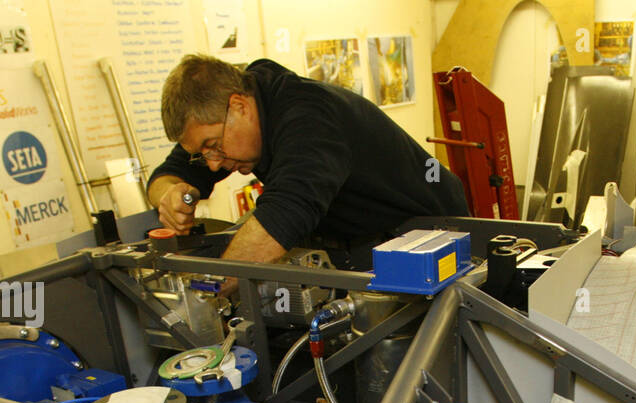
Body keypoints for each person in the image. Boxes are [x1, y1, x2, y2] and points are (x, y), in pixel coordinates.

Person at [146, 54, 468, 272]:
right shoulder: (237, 105)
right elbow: (167, 174)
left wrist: (209, 294)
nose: (212, 165)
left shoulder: (309, 118)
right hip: (360, 237)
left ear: (240, 107)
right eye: (202, 154)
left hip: (431, 232)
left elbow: (283, 215)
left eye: (214, 147)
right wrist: (169, 195)